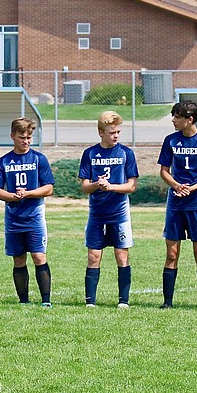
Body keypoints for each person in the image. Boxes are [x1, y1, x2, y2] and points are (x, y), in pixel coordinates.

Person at [158, 99, 197, 309]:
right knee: (172, 253)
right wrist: (176, 185)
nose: (174, 120)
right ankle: (167, 302)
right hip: (175, 203)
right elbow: (164, 171)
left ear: (189, 119)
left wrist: (193, 188)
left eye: (177, 117)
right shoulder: (171, 141)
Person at [0, 118, 56, 306]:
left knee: (39, 256)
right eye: (22, 137)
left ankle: (46, 300)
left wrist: (29, 194)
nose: (26, 141)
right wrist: (12, 197)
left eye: (29, 137)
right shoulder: (4, 161)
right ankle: (23, 300)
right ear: (12, 136)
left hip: (34, 218)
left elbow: (49, 188)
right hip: (13, 219)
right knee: (18, 259)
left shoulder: (39, 159)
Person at [78, 111, 139, 308]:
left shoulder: (126, 154)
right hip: (96, 214)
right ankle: (91, 301)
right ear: (100, 132)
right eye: (112, 132)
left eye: (118, 132)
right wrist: (98, 184)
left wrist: (111, 186)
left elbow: (131, 186)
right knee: (93, 256)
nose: (116, 136)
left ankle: (123, 300)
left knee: (122, 255)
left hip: (119, 214)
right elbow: (85, 187)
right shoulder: (90, 154)